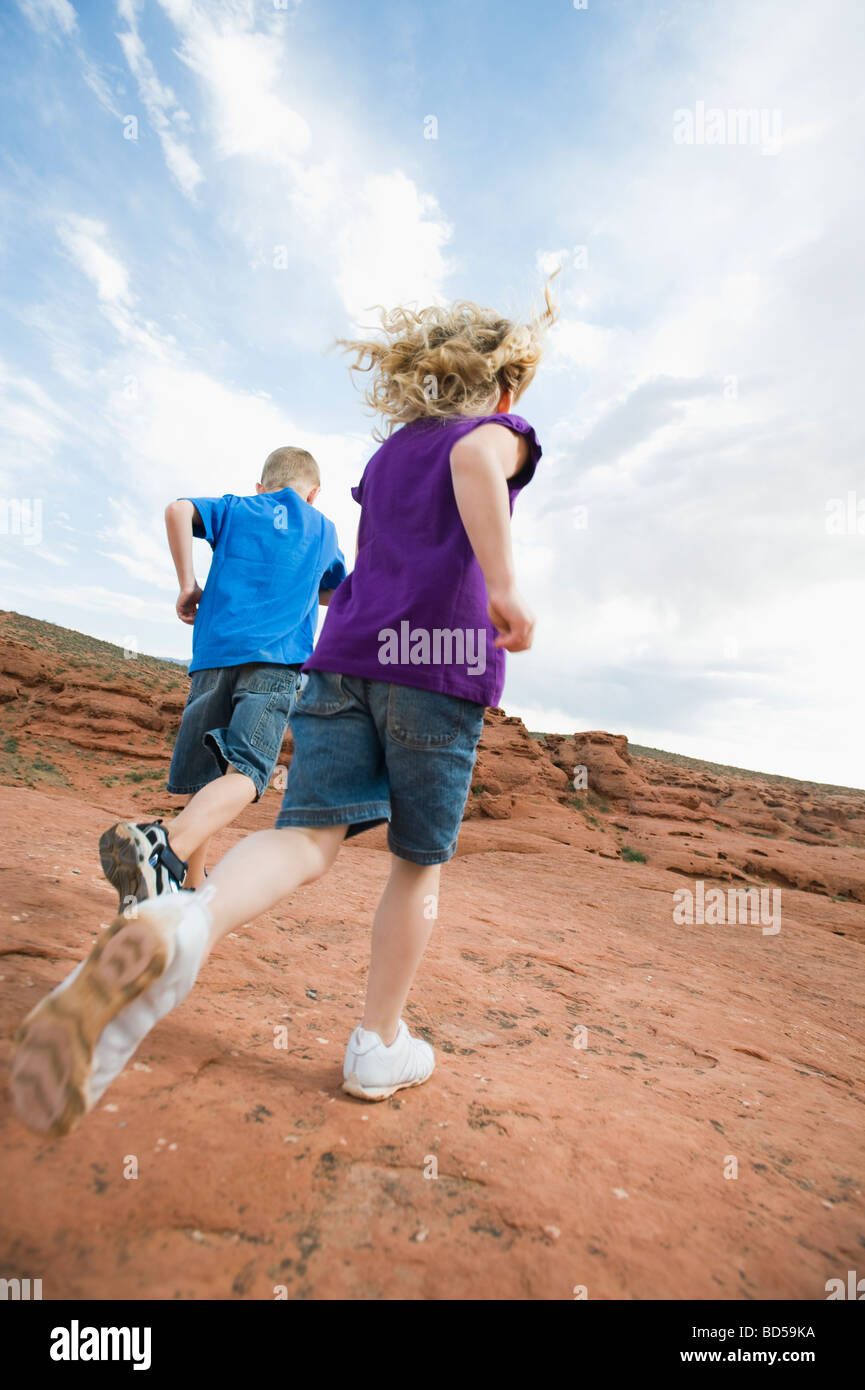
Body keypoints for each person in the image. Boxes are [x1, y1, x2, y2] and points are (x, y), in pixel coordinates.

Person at [11, 280, 557, 1137]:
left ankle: (185, 925)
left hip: (339, 663)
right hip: (438, 667)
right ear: (502, 387)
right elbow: (473, 464)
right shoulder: (496, 432)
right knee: (417, 864)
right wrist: (505, 586)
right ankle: (378, 1043)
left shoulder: (387, 456)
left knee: (306, 836)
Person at [98, 446, 347, 902]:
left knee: (206, 776)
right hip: (275, 664)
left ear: (261, 486)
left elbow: (177, 510)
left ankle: (191, 884)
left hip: (212, 658)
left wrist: (187, 584)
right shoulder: (323, 529)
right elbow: (340, 591)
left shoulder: (238, 507)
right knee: (248, 772)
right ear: (314, 494)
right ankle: (162, 847)